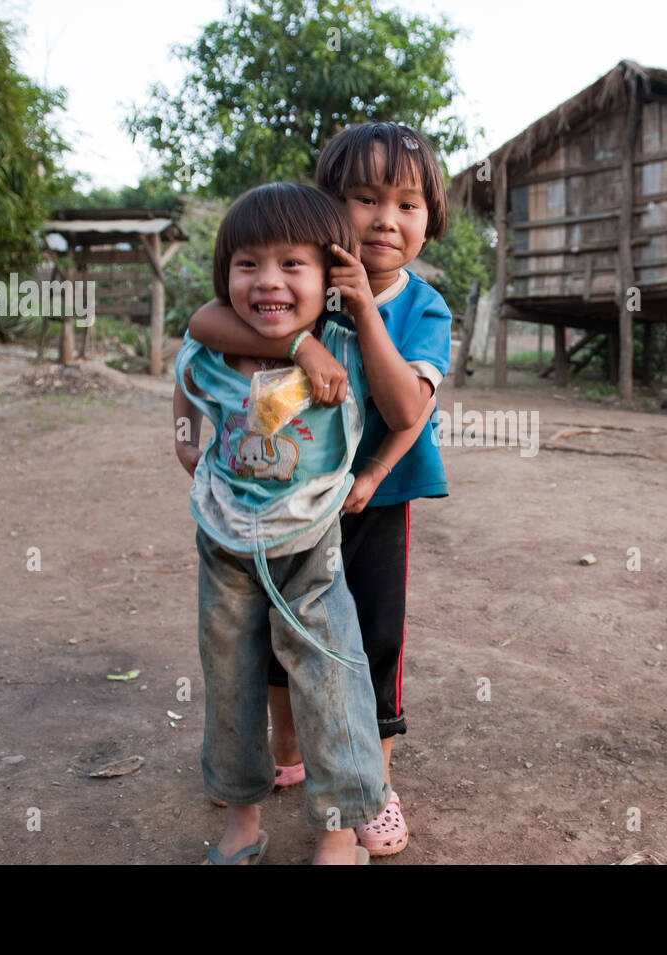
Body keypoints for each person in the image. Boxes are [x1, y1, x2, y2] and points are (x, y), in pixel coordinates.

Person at [186, 122, 452, 856]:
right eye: (363, 198)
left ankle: (365, 794)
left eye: (408, 205)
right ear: (328, 206)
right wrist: (300, 339)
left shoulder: (420, 307)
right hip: (285, 509)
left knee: (365, 645)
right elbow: (206, 322)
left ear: (432, 219)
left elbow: (405, 410)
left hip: (378, 499)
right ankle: (289, 752)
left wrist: (364, 310)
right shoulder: (297, 281)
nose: (384, 220)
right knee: (278, 648)